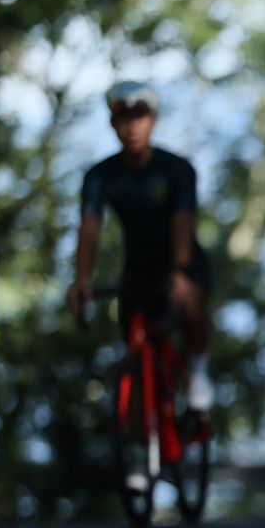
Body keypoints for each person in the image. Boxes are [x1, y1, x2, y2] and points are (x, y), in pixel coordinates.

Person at [69, 81, 213, 429]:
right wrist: (82, 281)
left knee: (192, 299)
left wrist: (179, 271)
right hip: (138, 268)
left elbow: (182, 221)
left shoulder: (177, 169)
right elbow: (90, 229)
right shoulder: (100, 176)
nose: (132, 126)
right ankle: (137, 450)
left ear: (153, 120)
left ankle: (197, 374)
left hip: (182, 261)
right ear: (112, 124)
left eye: (140, 117)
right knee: (134, 353)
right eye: (123, 118)